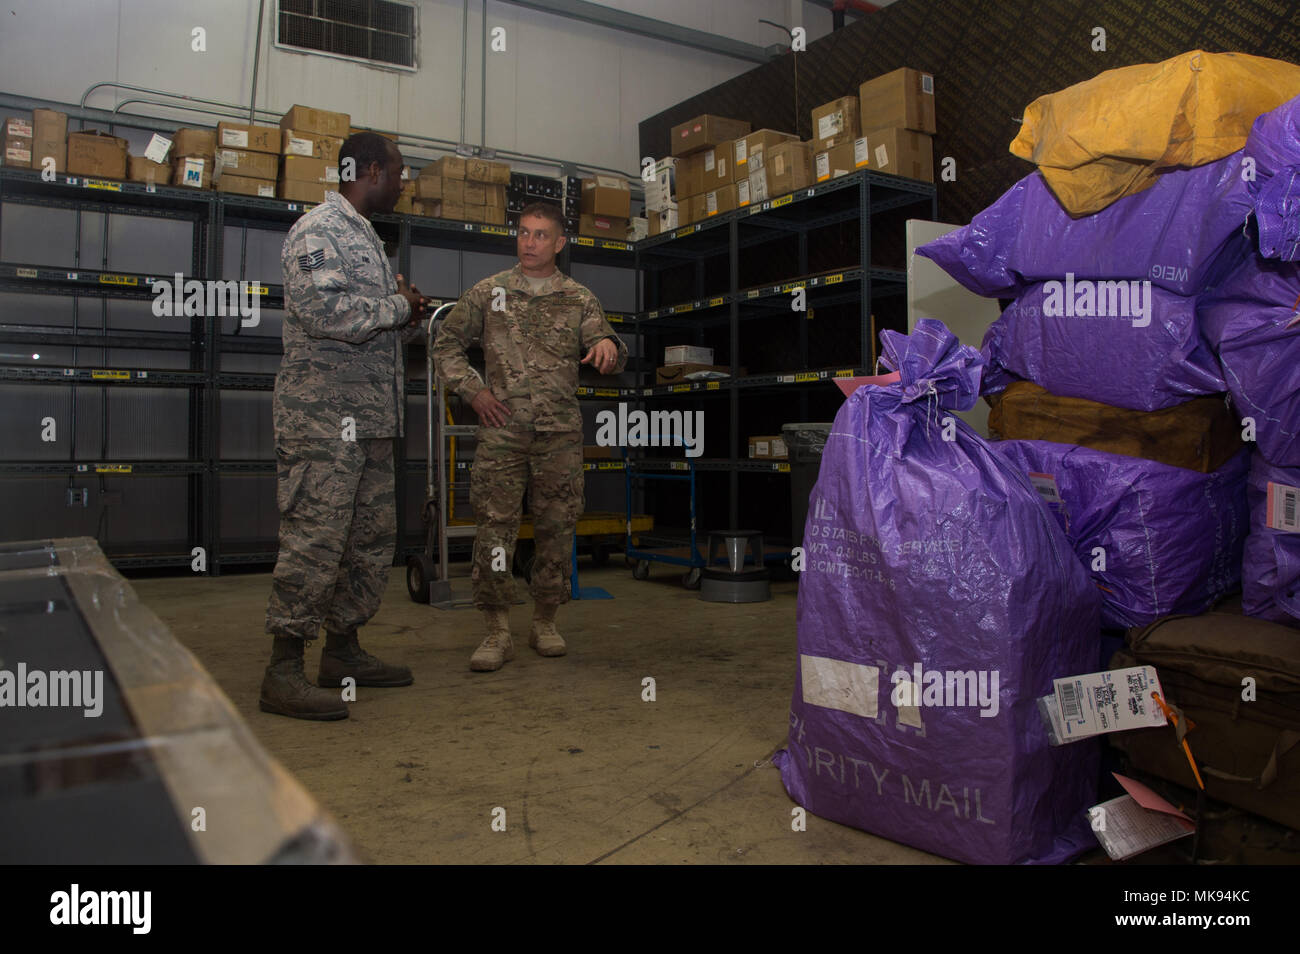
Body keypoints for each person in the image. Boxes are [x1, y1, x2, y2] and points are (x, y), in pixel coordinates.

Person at [261, 132, 428, 720]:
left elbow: (372, 333)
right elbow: (324, 312)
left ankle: (342, 651)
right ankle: (283, 668)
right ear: (374, 170)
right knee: (315, 538)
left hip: (370, 423)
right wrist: (398, 307)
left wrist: (406, 319)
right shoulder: (318, 230)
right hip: (323, 422)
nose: (404, 183)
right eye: (401, 172)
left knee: (367, 541)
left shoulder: (367, 239)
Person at [433, 200, 627, 671]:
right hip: (502, 431)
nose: (529, 242)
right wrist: (475, 393)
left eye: (541, 235)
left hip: (559, 435)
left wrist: (605, 345)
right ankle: (497, 631)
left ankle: (545, 621)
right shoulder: (490, 292)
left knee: (556, 531)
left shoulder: (578, 298)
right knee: (495, 533)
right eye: (523, 233)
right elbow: (446, 343)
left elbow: (611, 348)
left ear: (559, 243)